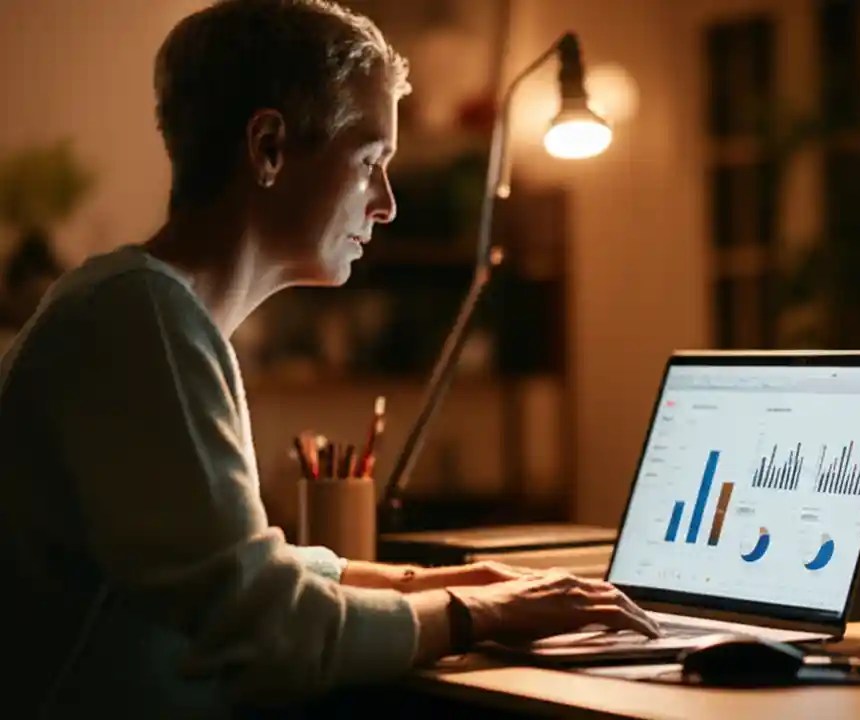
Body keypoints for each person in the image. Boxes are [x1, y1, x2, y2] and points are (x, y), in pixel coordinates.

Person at [0, 1, 658, 716]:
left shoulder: (145, 309)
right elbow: (271, 627)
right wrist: (483, 612)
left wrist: (429, 584)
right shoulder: (140, 319)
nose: (387, 204)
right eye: (371, 160)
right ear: (269, 147)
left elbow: (250, 571)